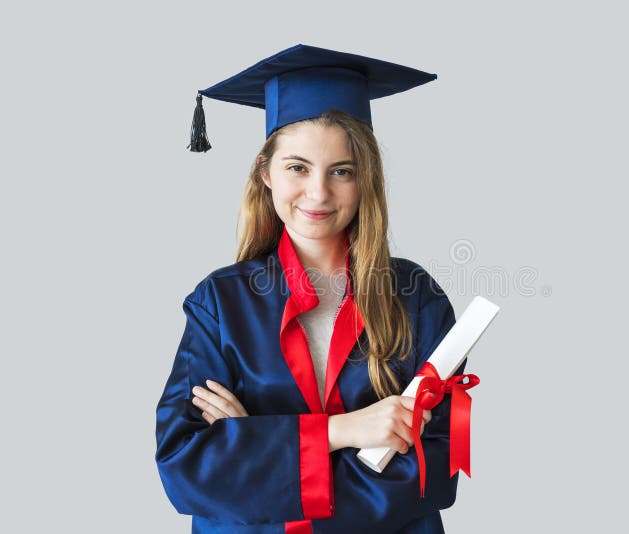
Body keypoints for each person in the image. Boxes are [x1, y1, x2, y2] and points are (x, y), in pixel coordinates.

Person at [155, 44, 468, 534]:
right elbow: (187, 467)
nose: (319, 192)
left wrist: (256, 443)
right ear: (265, 172)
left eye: (342, 171)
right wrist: (342, 431)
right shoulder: (220, 304)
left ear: (365, 179)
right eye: (297, 167)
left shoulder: (415, 298)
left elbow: (435, 471)